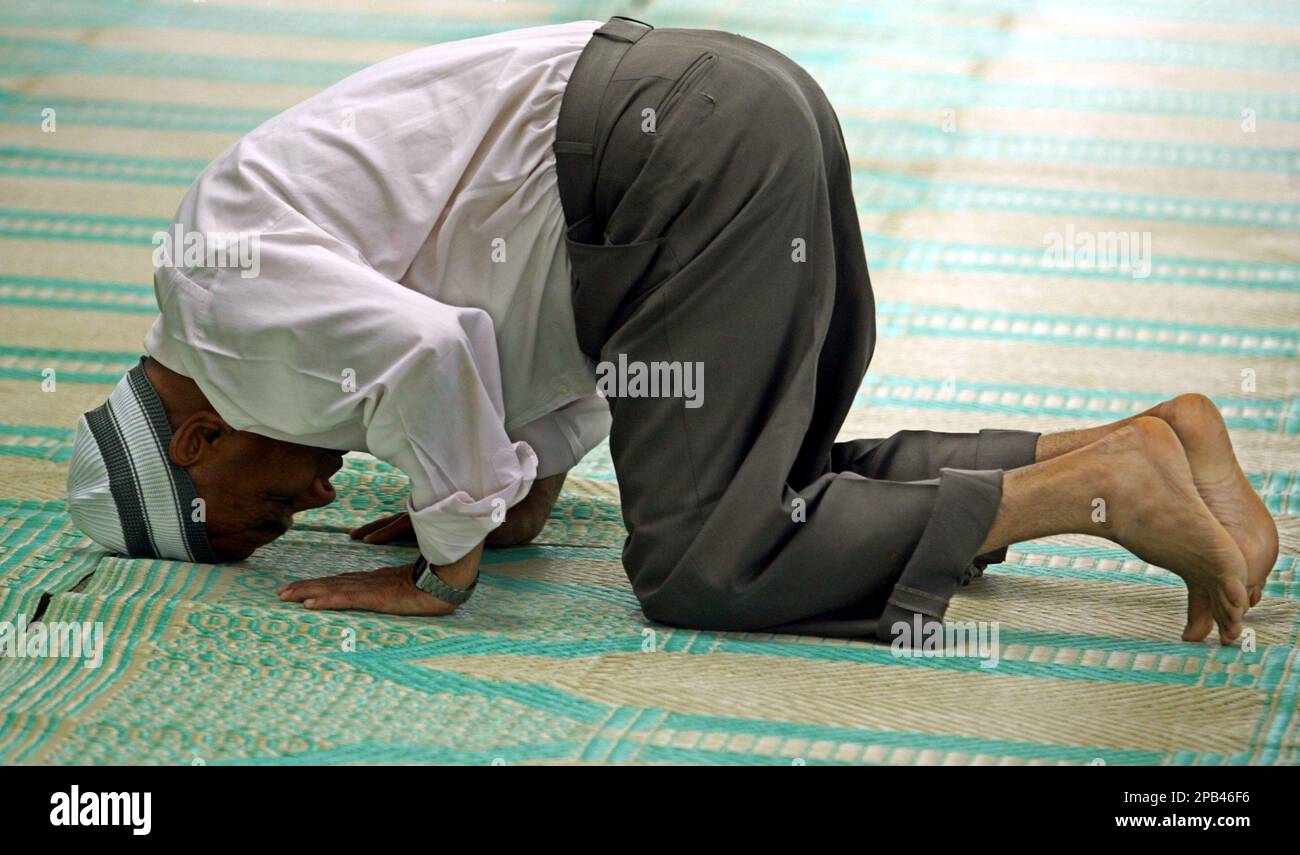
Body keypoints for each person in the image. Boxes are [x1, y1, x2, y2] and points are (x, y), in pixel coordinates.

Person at [65, 18, 1277, 645]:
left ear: (195, 447)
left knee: (703, 563)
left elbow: (426, 355)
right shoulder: (231, 284)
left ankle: (1104, 492)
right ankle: (1145, 439)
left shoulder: (219, 308)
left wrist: (447, 562)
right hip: (719, 106)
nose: (311, 503)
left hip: (671, 146)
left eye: (265, 511)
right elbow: (497, 324)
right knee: (778, 491)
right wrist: (522, 480)